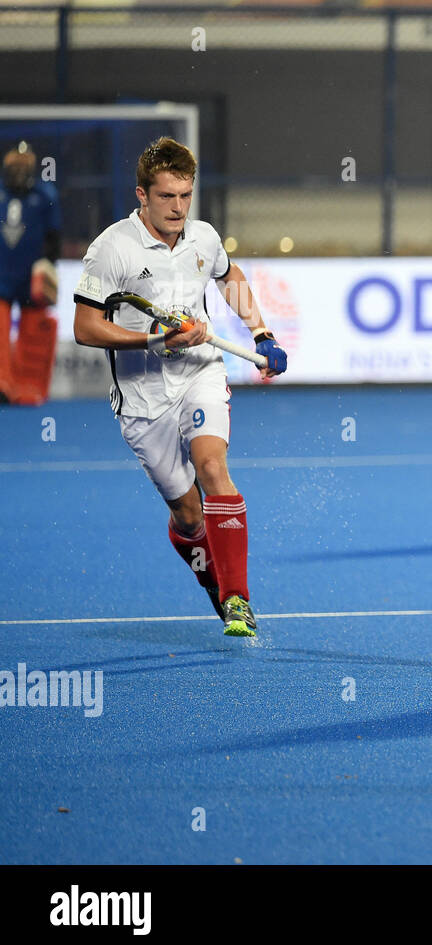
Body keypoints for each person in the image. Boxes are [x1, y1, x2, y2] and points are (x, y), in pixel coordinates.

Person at [71, 137, 288, 637]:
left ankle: (237, 598)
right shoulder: (111, 248)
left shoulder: (203, 238)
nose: (178, 208)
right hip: (143, 400)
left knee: (213, 467)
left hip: (201, 374)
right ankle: (212, 575)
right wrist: (153, 339)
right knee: (189, 519)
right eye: (167, 196)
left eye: (185, 196)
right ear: (142, 195)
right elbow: (85, 327)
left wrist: (262, 333)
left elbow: (230, 278)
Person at [0, 141, 62, 405]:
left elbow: (53, 236)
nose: (19, 171)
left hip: (31, 278)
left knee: (33, 335)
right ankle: (3, 385)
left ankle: (29, 388)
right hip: (1, 276)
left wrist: (48, 265)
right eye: (15, 165)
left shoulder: (45, 194)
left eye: (23, 165)